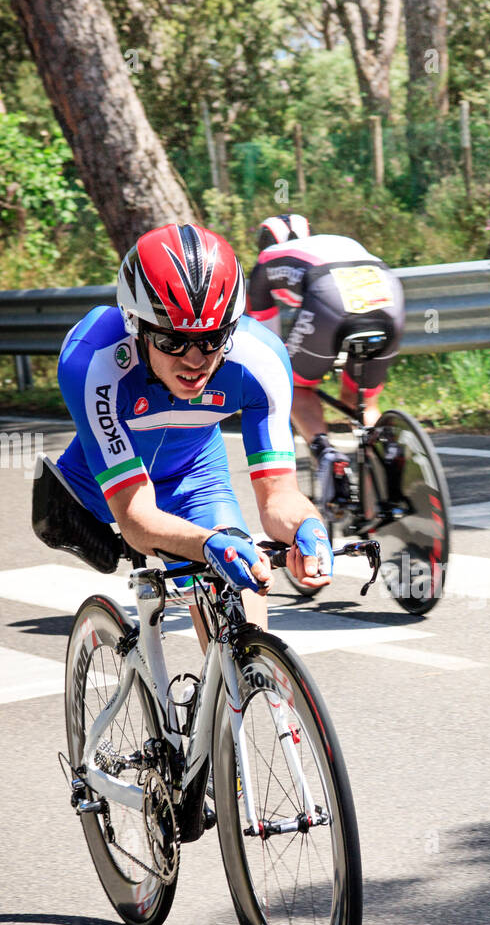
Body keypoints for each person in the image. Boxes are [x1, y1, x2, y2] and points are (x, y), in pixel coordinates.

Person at [49, 222, 333, 639]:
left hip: (194, 476)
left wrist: (307, 525)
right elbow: (137, 518)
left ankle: (232, 699)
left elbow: (278, 497)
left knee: (243, 629)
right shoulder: (93, 361)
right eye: (173, 341)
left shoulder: (262, 362)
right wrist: (206, 545)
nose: (196, 360)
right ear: (137, 325)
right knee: (204, 551)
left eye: (213, 338)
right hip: (97, 487)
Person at [246, 214, 406, 505]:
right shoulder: (337, 243)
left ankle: (327, 454)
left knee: (294, 386)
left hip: (328, 292)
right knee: (361, 401)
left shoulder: (267, 261)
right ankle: (385, 452)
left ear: (265, 243)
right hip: (388, 291)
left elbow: (266, 344)